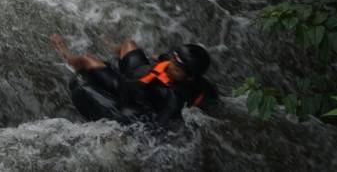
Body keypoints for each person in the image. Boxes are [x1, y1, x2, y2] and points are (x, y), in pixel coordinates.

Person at [50, 34, 217, 129]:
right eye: (173, 60)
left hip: (129, 90)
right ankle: (115, 48)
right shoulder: (171, 64)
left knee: (86, 60)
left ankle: (65, 54)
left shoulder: (175, 96)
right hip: (139, 73)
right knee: (129, 44)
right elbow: (164, 59)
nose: (170, 67)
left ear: (189, 77)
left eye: (177, 69)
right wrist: (155, 58)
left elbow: (161, 126)